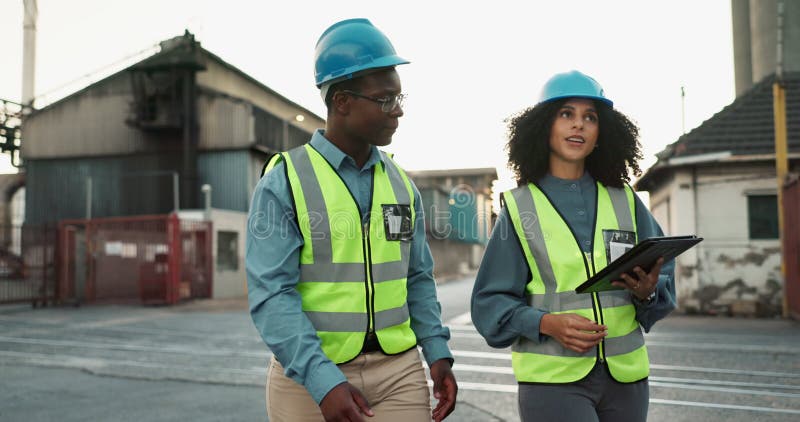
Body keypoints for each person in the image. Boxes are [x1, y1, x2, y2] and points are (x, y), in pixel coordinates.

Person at [246, 18, 457, 422]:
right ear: (342, 101)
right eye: (384, 99)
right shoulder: (285, 181)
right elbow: (272, 293)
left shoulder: (400, 185)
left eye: (399, 97)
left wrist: (437, 351)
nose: (398, 110)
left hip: (398, 372)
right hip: (308, 378)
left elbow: (417, 278)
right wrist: (323, 380)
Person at [470, 70, 676, 422]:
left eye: (589, 117)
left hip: (626, 379)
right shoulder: (521, 208)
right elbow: (489, 304)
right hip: (553, 383)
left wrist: (647, 292)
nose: (578, 125)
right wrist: (546, 323)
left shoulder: (625, 200)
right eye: (566, 114)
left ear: (601, 133)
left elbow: (663, 279)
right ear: (544, 127)